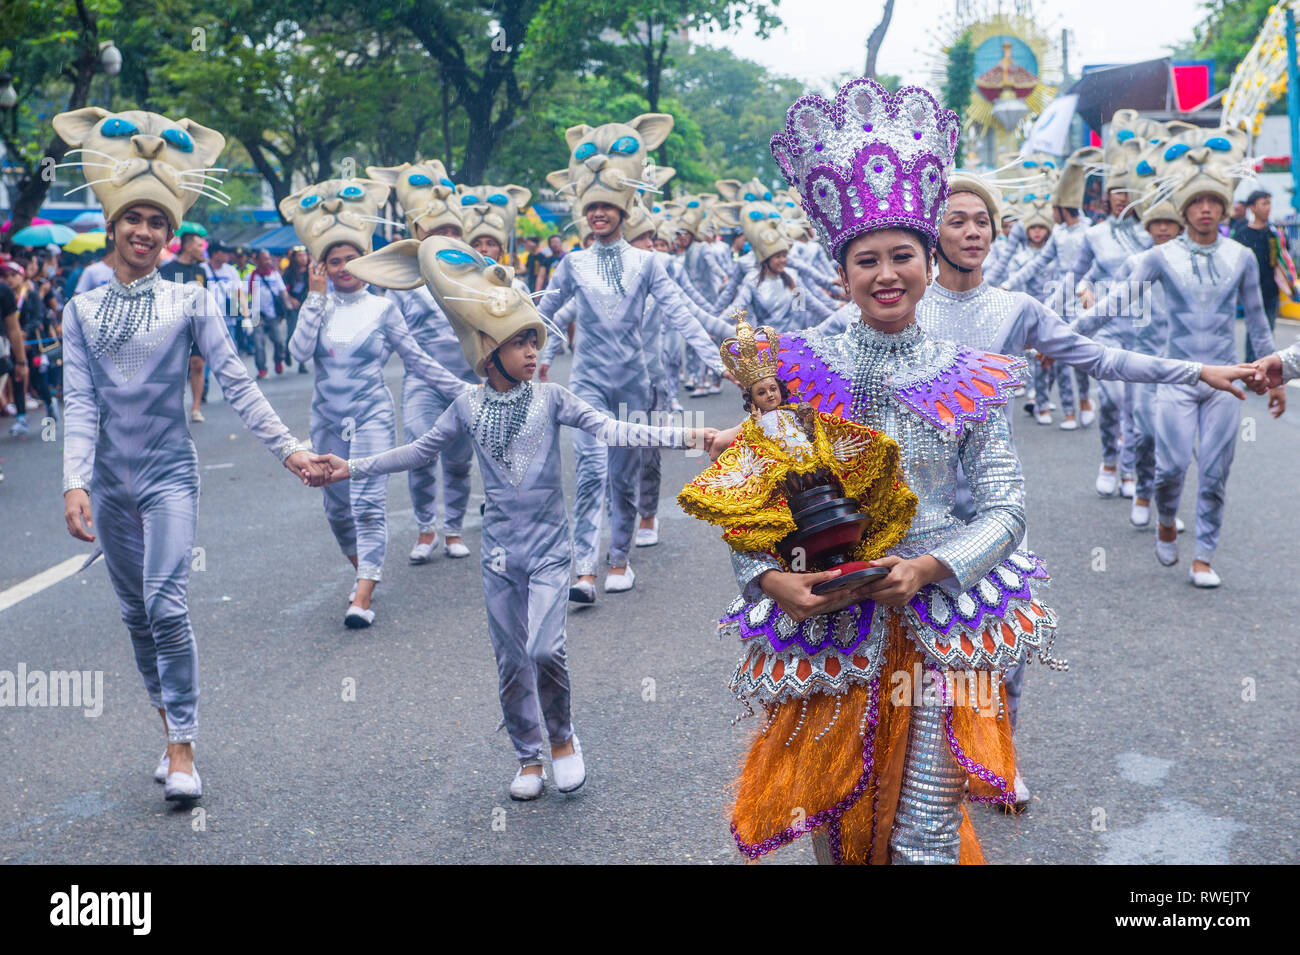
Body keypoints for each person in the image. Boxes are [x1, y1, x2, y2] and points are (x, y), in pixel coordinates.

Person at [710, 77, 1063, 865]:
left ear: (927, 263)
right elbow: (751, 498)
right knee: (838, 827)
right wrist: (772, 583)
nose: (886, 272)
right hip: (832, 619)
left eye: (902, 254)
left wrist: (933, 564)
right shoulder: (794, 373)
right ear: (842, 275)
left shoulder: (971, 373)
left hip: (945, 620)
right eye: (866, 260)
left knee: (927, 835)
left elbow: (1006, 508)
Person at [321, 234, 713, 800]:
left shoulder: (554, 400)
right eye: (520, 341)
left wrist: (697, 436)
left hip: (553, 551)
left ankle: (561, 740)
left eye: (536, 340)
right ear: (486, 348)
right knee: (509, 660)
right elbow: (417, 453)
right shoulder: (467, 405)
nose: (534, 351)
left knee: (544, 650)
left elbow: (616, 429)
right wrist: (347, 469)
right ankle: (527, 756)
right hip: (501, 557)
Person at [52, 105, 322, 805]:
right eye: (133, 219)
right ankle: (166, 719)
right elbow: (78, 402)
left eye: (158, 223)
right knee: (135, 616)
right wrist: (74, 481)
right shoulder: (78, 312)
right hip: (110, 484)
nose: (144, 232)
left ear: (172, 234)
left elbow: (237, 384)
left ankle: (183, 745)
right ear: (112, 225)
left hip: (170, 474)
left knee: (166, 604)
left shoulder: (192, 300)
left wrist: (290, 449)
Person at [1078, 125, 1283, 588]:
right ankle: (1165, 517)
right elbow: (1113, 305)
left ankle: (1204, 557)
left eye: (1212, 200)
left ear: (1225, 205)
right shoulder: (1160, 258)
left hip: (1227, 382)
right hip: (1178, 379)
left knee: (1214, 474)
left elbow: (1257, 321)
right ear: (1184, 207)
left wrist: (1275, 379)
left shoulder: (1241, 258)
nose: (1205, 209)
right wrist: (1058, 338)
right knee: (1169, 470)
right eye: (1196, 201)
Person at [540, 113, 731, 601]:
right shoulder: (572, 263)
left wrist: (721, 362)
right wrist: (525, 350)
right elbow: (544, 312)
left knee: (622, 477)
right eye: (593, 208)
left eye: (608, 207)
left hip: (632, 385)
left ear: (624, 210)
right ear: (584, 211)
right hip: (585, 383)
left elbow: (683, 316)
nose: (599, 214)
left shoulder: (648, 264)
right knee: (589, 473)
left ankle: (618, 559)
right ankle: (584, 571)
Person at [282, 177, 471, 628]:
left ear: (365, 260)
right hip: (326, 420)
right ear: (322, 265)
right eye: (334, 260)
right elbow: (296, 353)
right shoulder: (319, 304)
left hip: (371, 416)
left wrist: (466, 391)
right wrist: (313, 297)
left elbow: (419, 362)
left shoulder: (385, 308)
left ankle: (363, 595)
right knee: (337, 510)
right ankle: (364, 572)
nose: (344, 266)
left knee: (367, 503)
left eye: (351, 258)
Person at [366, 158, 478, 562]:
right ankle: (426, 529)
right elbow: (383, 342)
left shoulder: (478, 276)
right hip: (422, 385)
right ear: (417, 234)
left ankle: (453, 531)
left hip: (469, 384)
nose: (447, 239)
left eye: (453, 232)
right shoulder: (401, 286)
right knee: (419, 454)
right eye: (437, 232)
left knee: (460, 462)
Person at [1003, 146, 1102, 430]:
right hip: (1058, 297)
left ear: (1061, 207)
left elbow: (1095, 266)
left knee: (1081, 354)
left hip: (1083, 298)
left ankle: (1085, 399)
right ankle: (1067, 408)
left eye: (1053, 208)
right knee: (1058, 353)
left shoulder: (1089, 232)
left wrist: (1086, 286)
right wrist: (1008, 283)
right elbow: (1037, 263)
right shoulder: (1057, 233)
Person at [1232, 189, 1290, 362]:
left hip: (1270, 291)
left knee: (1268, 329)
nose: (1268, 208)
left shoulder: (1273, 233)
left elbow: (1280, 260)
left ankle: (1264, 366)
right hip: (1249, 291)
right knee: (1253, 330)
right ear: (1252, 207)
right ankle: (1251, 367)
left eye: (1269, 203)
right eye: (1264, 204)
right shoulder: (1242, 233)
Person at [159, 231, 208, 421]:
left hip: (196, 326)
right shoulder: (167, 270)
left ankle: (196, 408)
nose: (201, 249)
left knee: (197, 365)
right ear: (187, 247)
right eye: (198, 245)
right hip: (173, 328)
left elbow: (205, 298)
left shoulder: (201, 271)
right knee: (175, 369)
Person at [248, 249, 292, 378]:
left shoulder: (275, 275)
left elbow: (283, 291)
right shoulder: (251, 276)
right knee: (259, 343)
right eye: (265, 259)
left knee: (279, 341)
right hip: (257, 315)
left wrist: (288, 307)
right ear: (257, 260)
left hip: (273, 314)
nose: (268, 261)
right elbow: (244, 295)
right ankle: (262, 369)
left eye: (269, 259)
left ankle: (278, 359)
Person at [281, 245, 311, 373]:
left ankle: (302, 364)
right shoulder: (289, 272)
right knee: (292, 331)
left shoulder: (310, 271)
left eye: (304, 255)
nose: (303, 258)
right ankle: (287, 351)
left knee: (303, 334)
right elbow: (282, 289)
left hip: (306, 305)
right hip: (292, 307)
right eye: (300, 256)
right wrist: (291, 299)